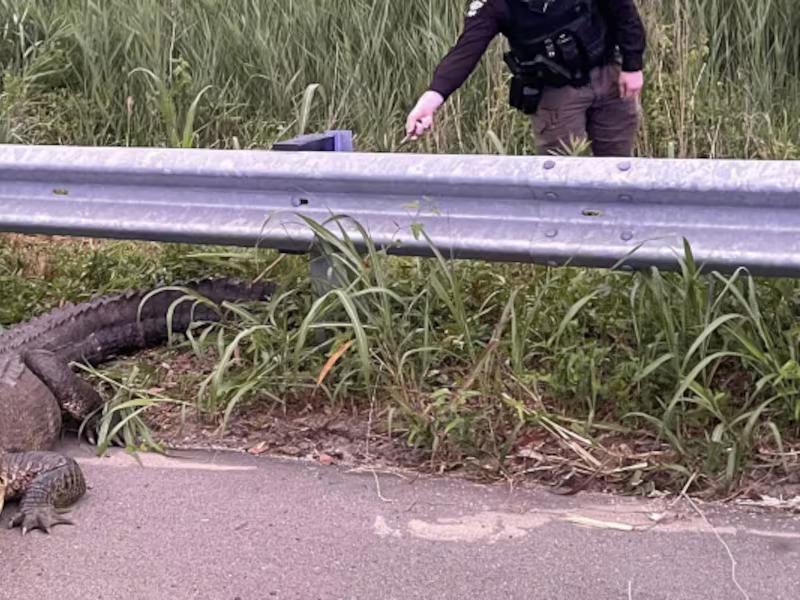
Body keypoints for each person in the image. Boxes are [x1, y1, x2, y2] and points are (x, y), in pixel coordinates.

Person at [405, 0, 646, 157]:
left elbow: (623, 11)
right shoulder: (493, 5)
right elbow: (466, 50)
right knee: (563, 177)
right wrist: (432, 98)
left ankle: (617, 232)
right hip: (556, 94)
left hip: (610, 76)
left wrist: (632, 65)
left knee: (618, 165)